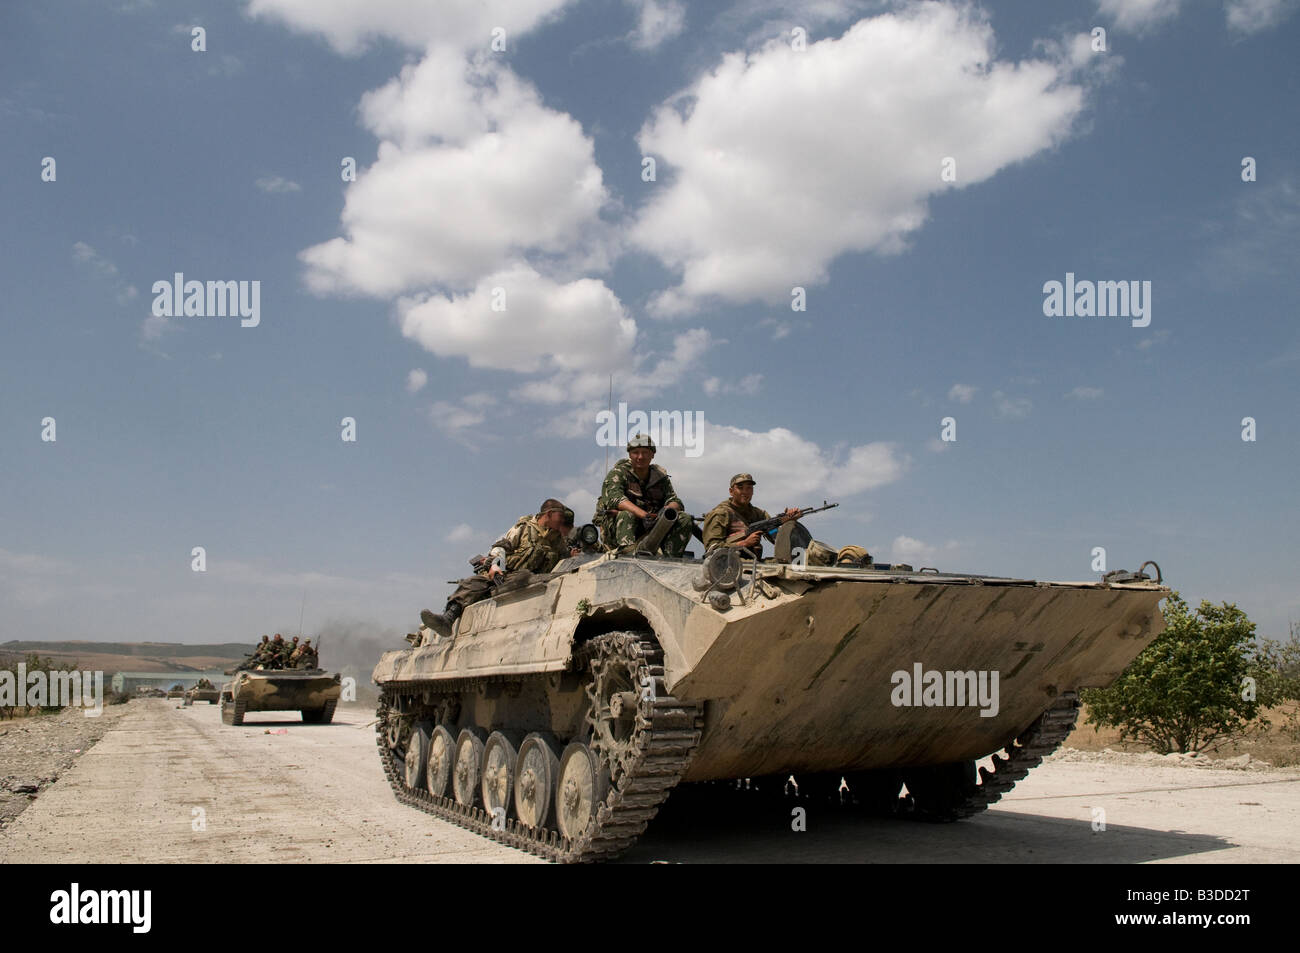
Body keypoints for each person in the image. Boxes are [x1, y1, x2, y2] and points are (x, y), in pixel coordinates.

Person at [420, 499, 571, 638]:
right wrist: (496, 566)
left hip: (530, 579)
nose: (563, 520)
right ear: (550, 514)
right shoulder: (524, 529)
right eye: (561, 516)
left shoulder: (557, 539)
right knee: (475, 583)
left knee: (524, 576)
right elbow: (501, 547)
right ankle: (447, 619)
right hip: (506, 574)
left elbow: (566, 559)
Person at [595, 434, 694, 556]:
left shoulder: (659, 477)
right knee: (627, 514)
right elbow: (615, 499)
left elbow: (675, 501)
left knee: (684, 518)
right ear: (630, 455)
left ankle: (671, 559)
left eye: (645, 452)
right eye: (636, 452)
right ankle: (627, 555)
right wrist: (644, 515)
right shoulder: (619, 473)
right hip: (618, 530)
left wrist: (666, 510)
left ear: (652, 455)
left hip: (652, 528)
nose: (640, 457)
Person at [701, 473, 800, 556]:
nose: (745, 492)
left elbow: (776, 537)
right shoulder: (720, 514)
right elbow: (712, 549)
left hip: (753, 562)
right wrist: (743, 543)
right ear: (731, 491)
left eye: (749, 488)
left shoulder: (759, 514)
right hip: (728, 566)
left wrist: (788, 521)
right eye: (740, 488)